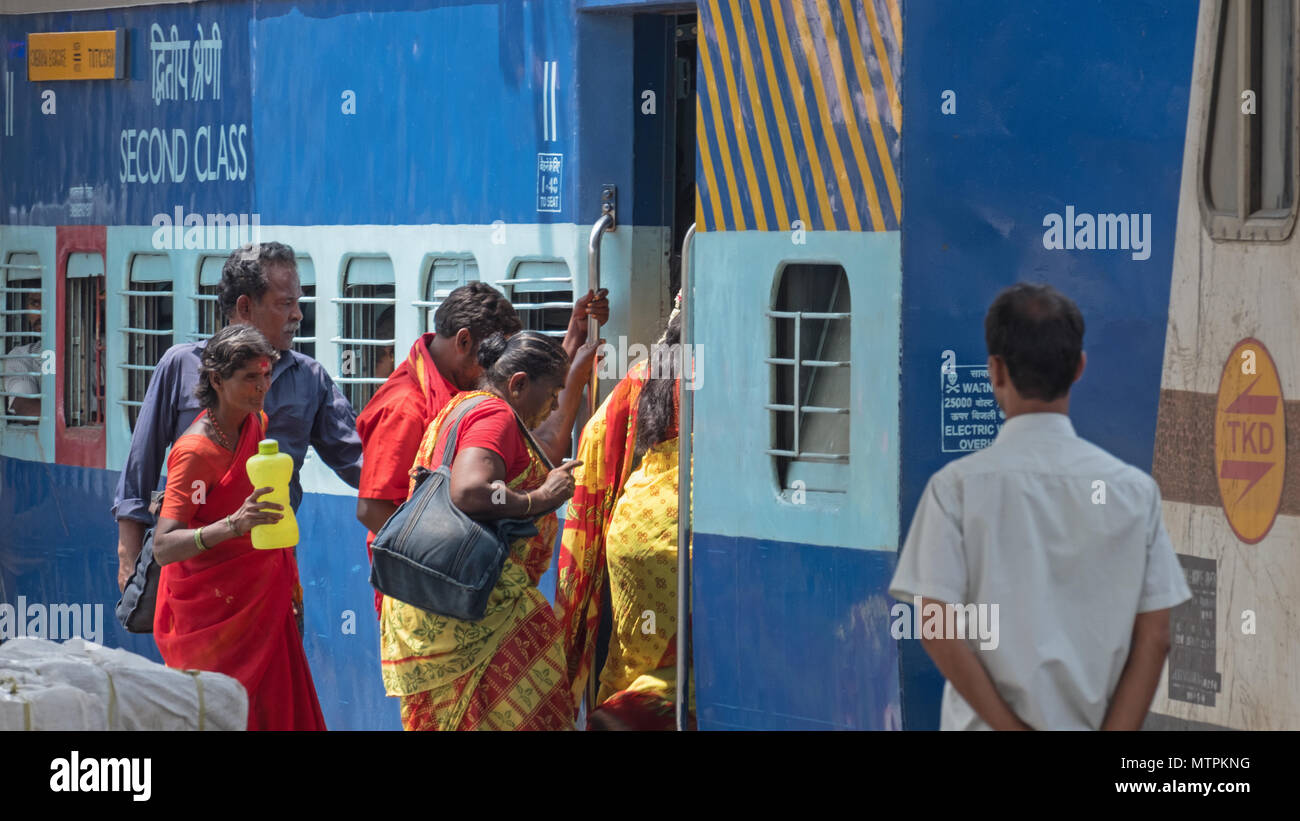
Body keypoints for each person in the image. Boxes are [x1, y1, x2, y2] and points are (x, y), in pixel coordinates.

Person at [889, 283, 1191, 730]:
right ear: (1079, 368)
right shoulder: (1134, 493)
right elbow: (1156, 636)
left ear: (995, 371)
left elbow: (937, 627)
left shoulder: (955, 489)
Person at [113, 243, 363, 631]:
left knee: (276, 685)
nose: (298, 314)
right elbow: (138, 473)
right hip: (197, 577)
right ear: (244, 308)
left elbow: (359, 463)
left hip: (270, 568)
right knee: (205, 689)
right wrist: (128, 558)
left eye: (298, 302)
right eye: (286, 303)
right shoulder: (181, 366)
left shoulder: (308, 378)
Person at [379, 331, 599, 730]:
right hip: (478, 612)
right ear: (517, 384)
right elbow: (468, 491)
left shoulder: (461, 407)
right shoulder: (495, 415)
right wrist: (540, 499)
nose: (553, 406)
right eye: (552, 394)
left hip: (441, 605)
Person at [355, 282, 607, 615]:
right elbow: (372, 509)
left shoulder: (469, 397)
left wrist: (573, 337)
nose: (496, 368)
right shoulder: (405, 407)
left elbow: (534, 448)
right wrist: (453, 559)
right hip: (432, 589)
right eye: (492, 357)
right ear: (463, 341)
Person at [151, 325, 326, 731]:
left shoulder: (254, 424)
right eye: (251, 377)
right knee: (223, 716)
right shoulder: (195, 453)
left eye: (266, 375)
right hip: (214, 617)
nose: (263, 386)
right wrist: (232, 525)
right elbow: (164, 545)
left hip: (263, 601)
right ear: (217, 379)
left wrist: (290, 581)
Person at [556, 306, 692, 730]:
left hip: (633, 529)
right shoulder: (736, 369)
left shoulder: (646, 373)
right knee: (692, 669)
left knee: (640, 661)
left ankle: (622, 711)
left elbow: (596, 435)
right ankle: (633, 715)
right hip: (689, 530)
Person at [3, 289, 42, 421]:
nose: (42, 312)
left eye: (50, 303)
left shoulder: (101, 349)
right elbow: (24, 407)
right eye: (35, 303)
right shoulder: (22, 357)